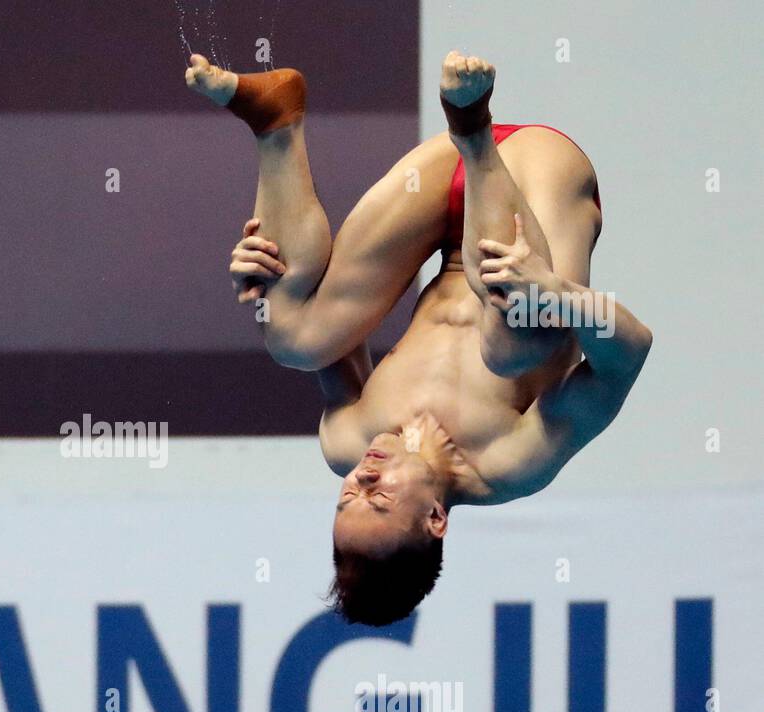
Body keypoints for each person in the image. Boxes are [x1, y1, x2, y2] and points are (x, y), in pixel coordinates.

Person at [185, 51, 652, 625]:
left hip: (438, 181)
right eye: (379, 498)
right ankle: (475, 128)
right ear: (436, 519)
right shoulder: (512, 461)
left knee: (292, 339)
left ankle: (277, 126)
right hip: (536, 180)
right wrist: (558, 295)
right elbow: (628, 353)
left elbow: (331, 326)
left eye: (348, 494)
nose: (362, 476)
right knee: (516, 345)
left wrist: (263, 282)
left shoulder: (348, 440)